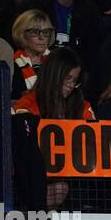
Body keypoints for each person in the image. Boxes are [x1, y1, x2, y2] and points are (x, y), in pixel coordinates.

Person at [12, 47, 91, 209]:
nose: (71, 85)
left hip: (73, 177)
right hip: (31, 179)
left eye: (75, 81)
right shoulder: (26, 105)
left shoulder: (82, 106)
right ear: (54, 75)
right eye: (67, 79)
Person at [9, 8, 52, 97]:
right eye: (35, 32)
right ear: (21, 34)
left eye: (46, 32)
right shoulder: (13, 64)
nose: (41, 37)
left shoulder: (57, 61)